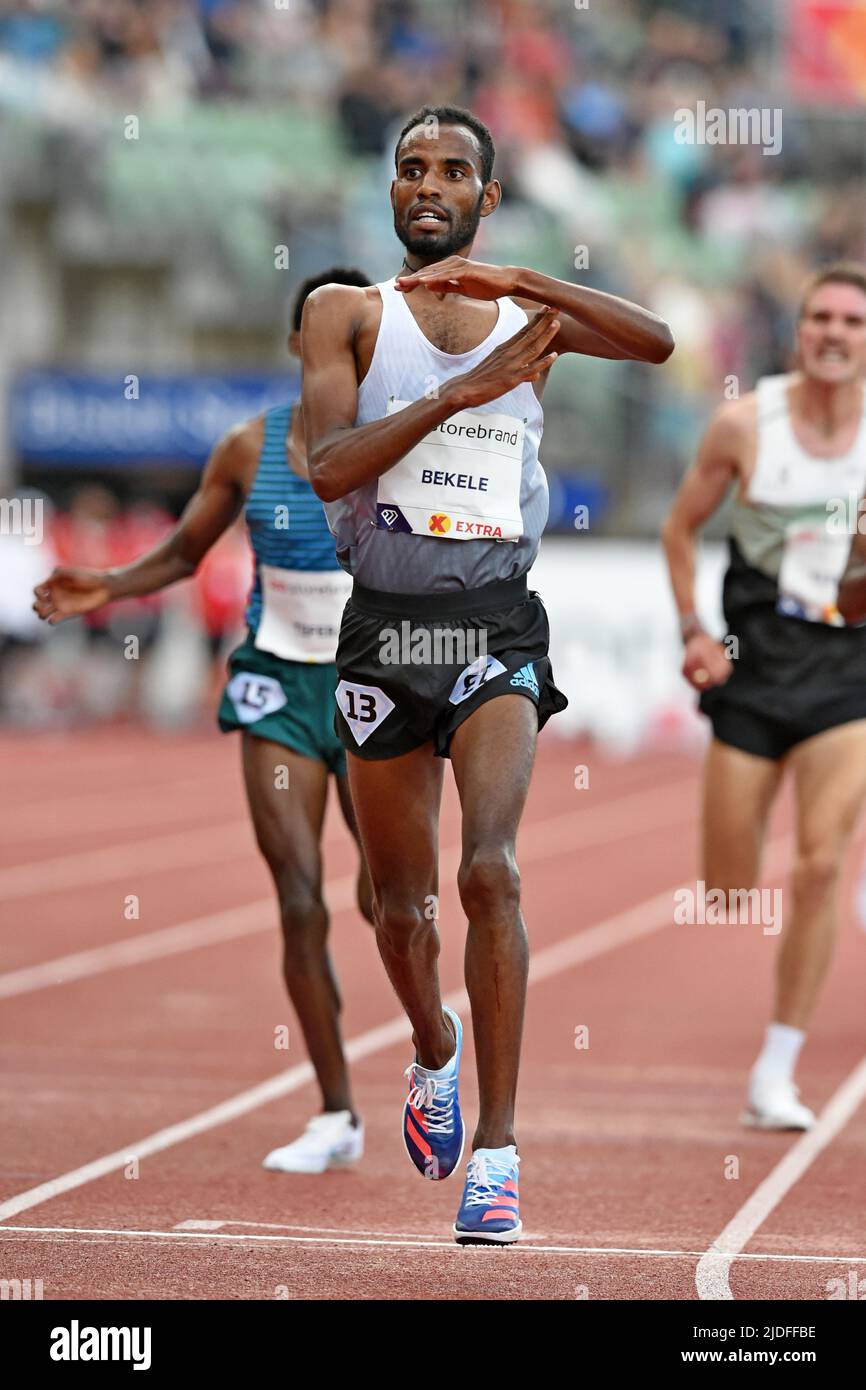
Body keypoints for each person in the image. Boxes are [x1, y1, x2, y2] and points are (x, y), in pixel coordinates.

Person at [301, 104, 673, 1243]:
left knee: (490, 874)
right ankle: (431, 1049)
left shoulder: (531, 314)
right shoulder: (346, 312)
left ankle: (498, 1155)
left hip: (494, 624)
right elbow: (326, 468)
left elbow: (655, 342)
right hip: (383, 630)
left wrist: (530, 282)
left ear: (486, 194)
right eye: (410, 167)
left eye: (453, 171)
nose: (428, 184)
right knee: (394, 906)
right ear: (390, 186)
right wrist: (459, 392)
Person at [33, 268, 376, 1173]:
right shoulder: (244, 447)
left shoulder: (395, 447)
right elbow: (188, 551)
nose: (340, 345)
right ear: (299, 345)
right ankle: (337, 1113)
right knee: (300, 900)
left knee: (391, 901)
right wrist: (103, 583)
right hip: (278, 687)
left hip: (376, 689)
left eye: (357, 331)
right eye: (323, 329)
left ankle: (433, 1043)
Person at [662, 262, 866, 1131]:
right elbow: (678, 528)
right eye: (821, 317)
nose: (833, 332)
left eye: (853, 323)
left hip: (848, 665)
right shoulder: (746, 423)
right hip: (752, 658)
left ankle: (775, 1069)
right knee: (730, 886)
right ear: (799, 331)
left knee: (819, 865)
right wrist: (693, 632)